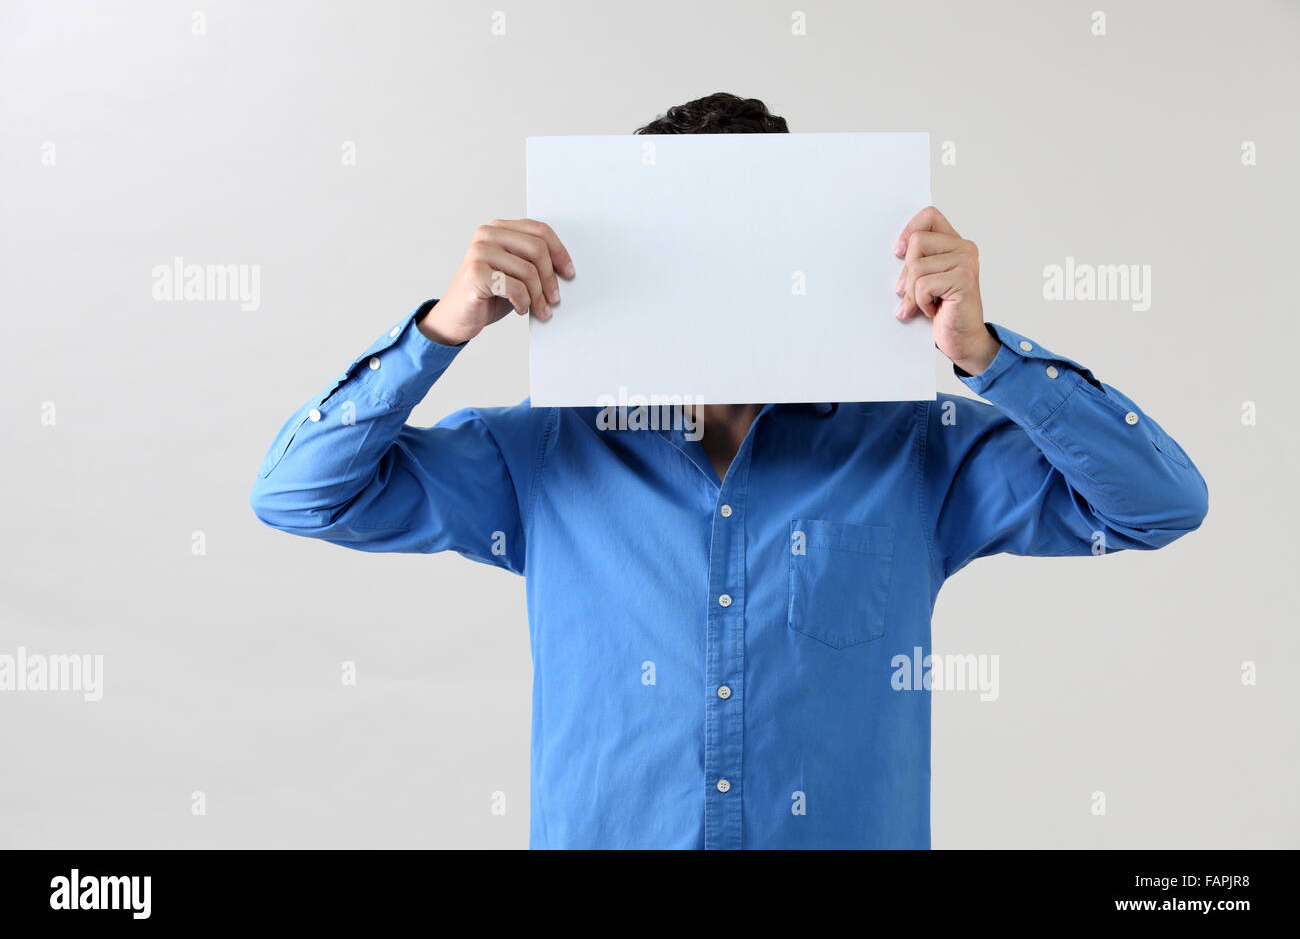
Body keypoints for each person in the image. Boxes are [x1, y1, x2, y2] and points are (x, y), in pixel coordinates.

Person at [250, 92, 1208, 849]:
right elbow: (298, 494)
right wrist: (439, 331)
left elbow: (1158, 505)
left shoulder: (917, 449)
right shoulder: (541, 454)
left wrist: (989, 357)